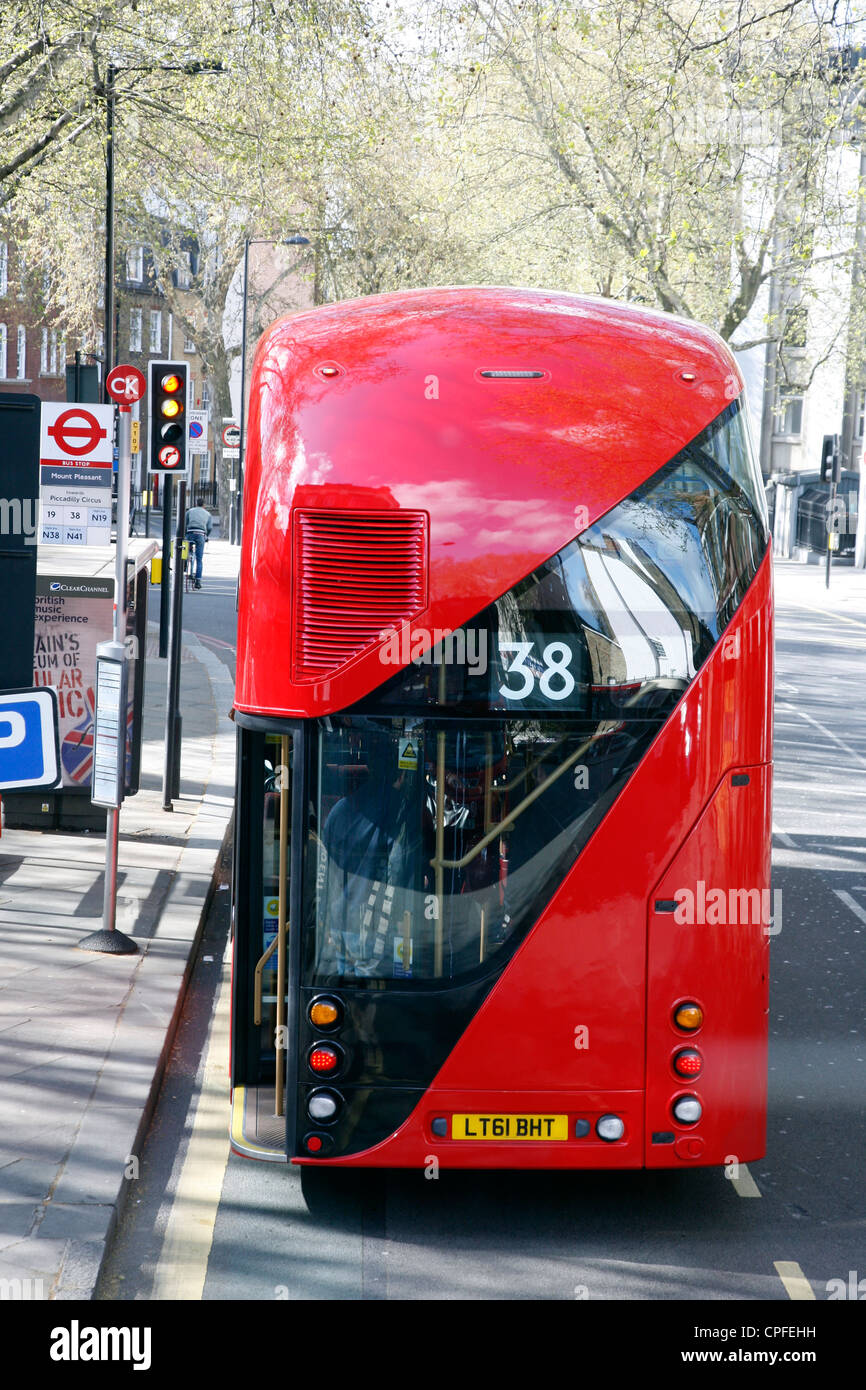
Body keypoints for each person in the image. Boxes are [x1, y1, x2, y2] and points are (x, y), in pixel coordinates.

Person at [184, 504, 213, 589]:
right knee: (199, 559)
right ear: (204, 505)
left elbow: (185, 524)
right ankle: (198, 581)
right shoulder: (207, 514)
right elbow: (210, 527)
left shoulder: (189, 511)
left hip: (190, 533)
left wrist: (185, 534)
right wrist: (206, 536)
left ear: (196, 504)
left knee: (187, 551)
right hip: (200, 534)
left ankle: (186, 564)